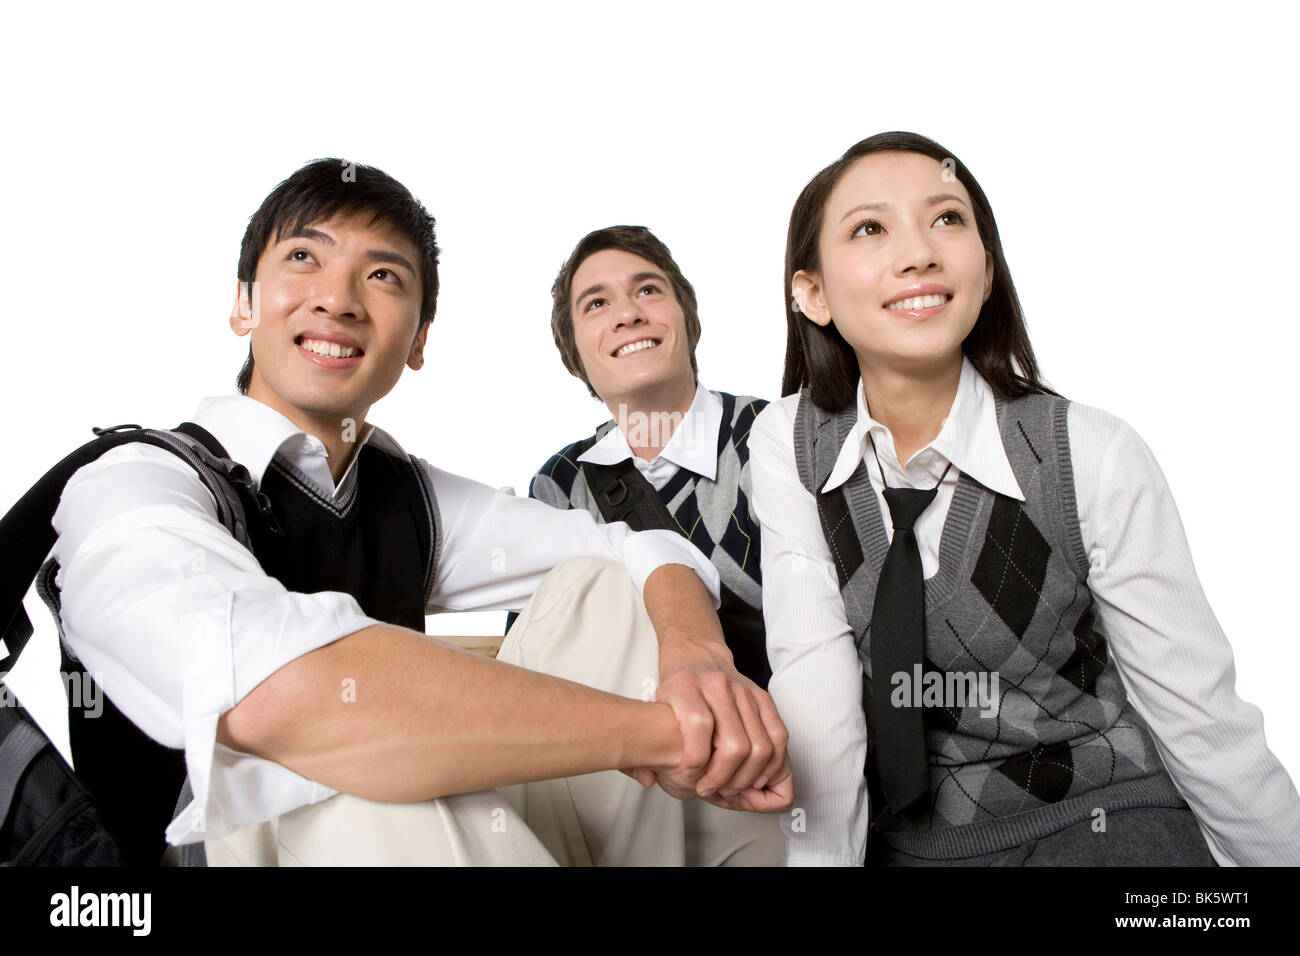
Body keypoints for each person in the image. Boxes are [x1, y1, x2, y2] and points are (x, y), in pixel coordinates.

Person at [43, 158, 791, 867]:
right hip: (216, 847)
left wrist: (698, 660)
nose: (338, 298)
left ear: (419, 343)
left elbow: (641, 552)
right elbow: (285, 699)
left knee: (598, 589)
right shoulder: (133, 484)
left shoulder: (410, 497)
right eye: (305, 258)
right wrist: (663, 735)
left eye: (381, 275)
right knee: (351, 770)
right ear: (242, 303)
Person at [748, 131, 1300, 866]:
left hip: (1105, 820)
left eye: (947, 219)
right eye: (871, 228)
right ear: (810, 293)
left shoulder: (1090, 454)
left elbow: (1200, 715)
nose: (919, 252)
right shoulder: (792, 445)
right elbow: (817, 697)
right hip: (908, 843)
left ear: (986, 270)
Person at [521, 225, 783, 863]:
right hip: (628, 775)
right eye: (597, 304)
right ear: (576, 353)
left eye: (647, 290)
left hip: (774, 767)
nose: (628, 312)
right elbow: (543, 656)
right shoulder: (559, 484)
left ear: (687, 320)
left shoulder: (776, 437)